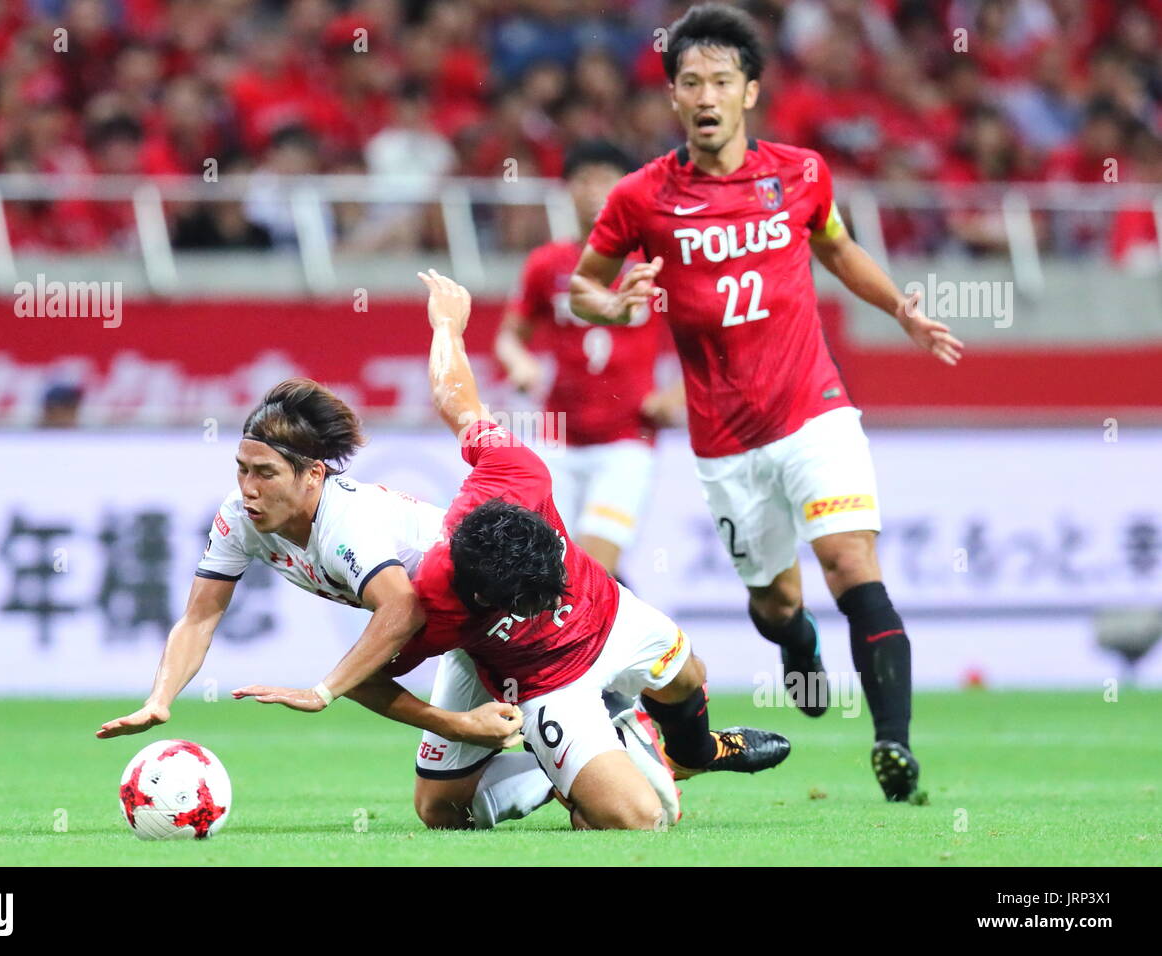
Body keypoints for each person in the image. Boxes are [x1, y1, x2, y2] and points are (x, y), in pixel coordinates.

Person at [570, 4, 964, 802]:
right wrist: (613, 306)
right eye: (690, 82)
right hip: (724, 443)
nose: (706, 95)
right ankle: (798, 645)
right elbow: (582, 285)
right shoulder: (641, 198)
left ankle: (894, 747)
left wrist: (902, 310)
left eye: (722, 80)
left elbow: (838, 249)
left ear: (749, 91)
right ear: (674, 97)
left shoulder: (802, 174)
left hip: (814, 411)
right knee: (775, 600)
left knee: (853, 564)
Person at [243, 269, 788, 831]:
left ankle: (694, 753)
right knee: (612, 819)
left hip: (608, 610)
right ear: (478, 597)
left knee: (688, 674)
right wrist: (455, 724)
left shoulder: (518, 471)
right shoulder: (430, 608)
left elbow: (457, 398)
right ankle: (605, 753)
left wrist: (446, 329)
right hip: (541, 681)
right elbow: (368, 677)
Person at [93, 377, 671, 829]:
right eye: (241, 469)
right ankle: (561, 767)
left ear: (313, 474)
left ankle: (609, 744)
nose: (248, 488)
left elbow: (401, 610)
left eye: (265, 473)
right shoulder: (241, 518)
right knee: (441, 812)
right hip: (447, 639)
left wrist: (323, 691)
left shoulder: (349, 525)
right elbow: (200, 616)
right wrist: (160, 698)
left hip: (492, 616)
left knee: (626, 819)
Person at [495, 139, 684, 579]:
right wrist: (520, 362)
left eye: (605, 177)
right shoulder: (547, 264)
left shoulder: (656, 262)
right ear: (567, 190)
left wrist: (675, 396)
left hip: (627, 440)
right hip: (557, 437)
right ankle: (623, 627)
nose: (593, 188)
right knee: (544, 570)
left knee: (592, 568)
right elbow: (509, 336)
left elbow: (710, 343)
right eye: (583, 179)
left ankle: (624, 629)